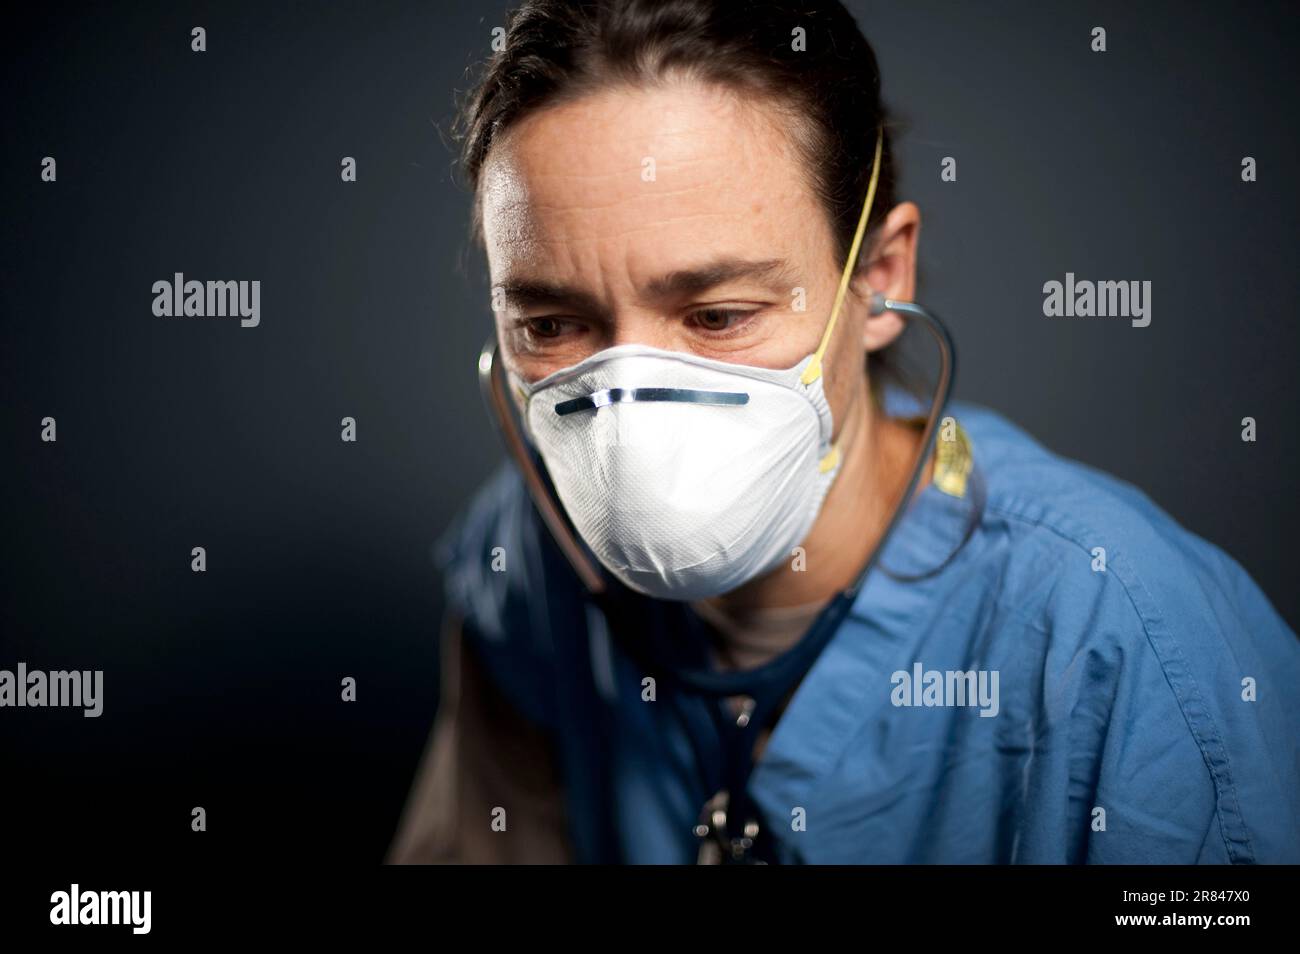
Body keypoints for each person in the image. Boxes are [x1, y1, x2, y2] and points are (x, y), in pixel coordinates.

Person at [388, 0, 1300, 864]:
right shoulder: (529, 554)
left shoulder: (1127, 641)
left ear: (881, 279)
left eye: (718, 315)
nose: (629, 408)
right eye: (550, 326)